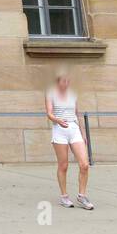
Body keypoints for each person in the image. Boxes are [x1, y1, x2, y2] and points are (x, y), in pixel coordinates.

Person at [45, 71, 93, 209]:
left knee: (84, 164)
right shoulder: (50, 93)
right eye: (64, 81)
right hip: (59, 129)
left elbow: (77, 113)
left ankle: (82, 196)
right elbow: (49, 113)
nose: (66, 83)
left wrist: (82, 132)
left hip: (74, 128)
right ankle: (64, 196)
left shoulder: (73, 94)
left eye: (68, 80)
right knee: (63, 165)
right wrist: (57, 120)